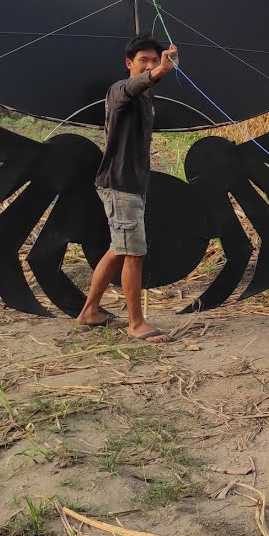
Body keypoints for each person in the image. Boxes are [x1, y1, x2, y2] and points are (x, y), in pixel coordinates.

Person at [76, 34, 178, 342]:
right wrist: (160, 70)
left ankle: (90, 311)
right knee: (134, 253)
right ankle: (136, 324)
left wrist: (155, 76)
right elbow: (135, 86)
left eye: (153, 59)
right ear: (128, 64)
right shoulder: (120, 90)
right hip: (120, 184)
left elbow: (144, 87)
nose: (148, 64)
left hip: (131, 184)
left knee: (120, 249)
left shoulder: (147, 98)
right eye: (142, 60)